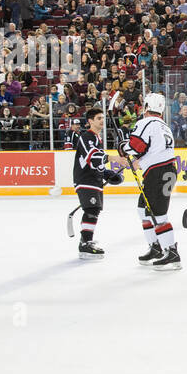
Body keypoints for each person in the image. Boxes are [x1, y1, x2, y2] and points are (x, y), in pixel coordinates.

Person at [120, 91, 180, 270]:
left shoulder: (146, 122)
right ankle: (155, 246)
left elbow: (135, 146)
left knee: (158, 214)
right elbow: (151, 149)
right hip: (165, 171)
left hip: (158, 174)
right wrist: (141, 161)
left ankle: (171, 252)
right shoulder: (164, 126)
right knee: (143, 211)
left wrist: (123, 146)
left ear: (146, 107)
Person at [71, 107, 124, 260]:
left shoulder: (97, 138)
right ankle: (85, 244)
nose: (102, 120)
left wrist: (107, 173)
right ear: (90, 121)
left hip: (94, 179)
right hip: (85, 179)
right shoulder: (87, 136)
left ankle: (86, 241)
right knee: (91, 209)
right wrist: (113, 158)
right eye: (98, 118)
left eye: (102, 118)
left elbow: (97, 163)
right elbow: (92, 156)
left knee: (94, 210)